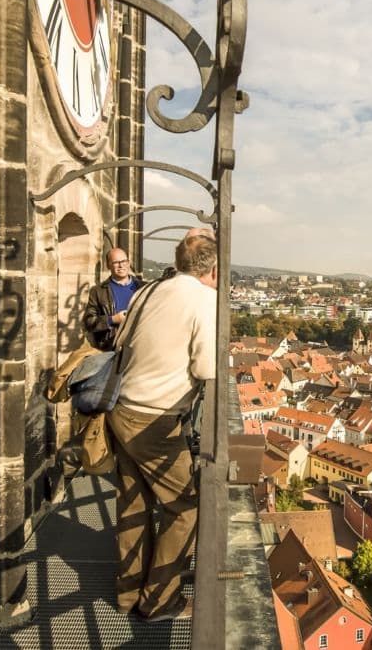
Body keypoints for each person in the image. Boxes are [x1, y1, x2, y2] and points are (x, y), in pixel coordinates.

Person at [108, 229, 217, 621]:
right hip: (155, 420)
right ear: (213, 268)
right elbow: (206, 368)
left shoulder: (150, 289)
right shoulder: (205, 299)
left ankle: (127, 594)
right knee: (184, 508)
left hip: (120, 409)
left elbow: (119, 340)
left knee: (133, 504)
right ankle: (159, 600)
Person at [81, 247, 141, 351]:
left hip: (140, 346)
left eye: (123, 261)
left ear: (128, 262)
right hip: (111, 349)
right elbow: (88, 323)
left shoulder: (143, 287)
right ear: (108, 265)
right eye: (116, 262)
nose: (121, 265)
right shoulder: (98, 291)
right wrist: (112, 319)